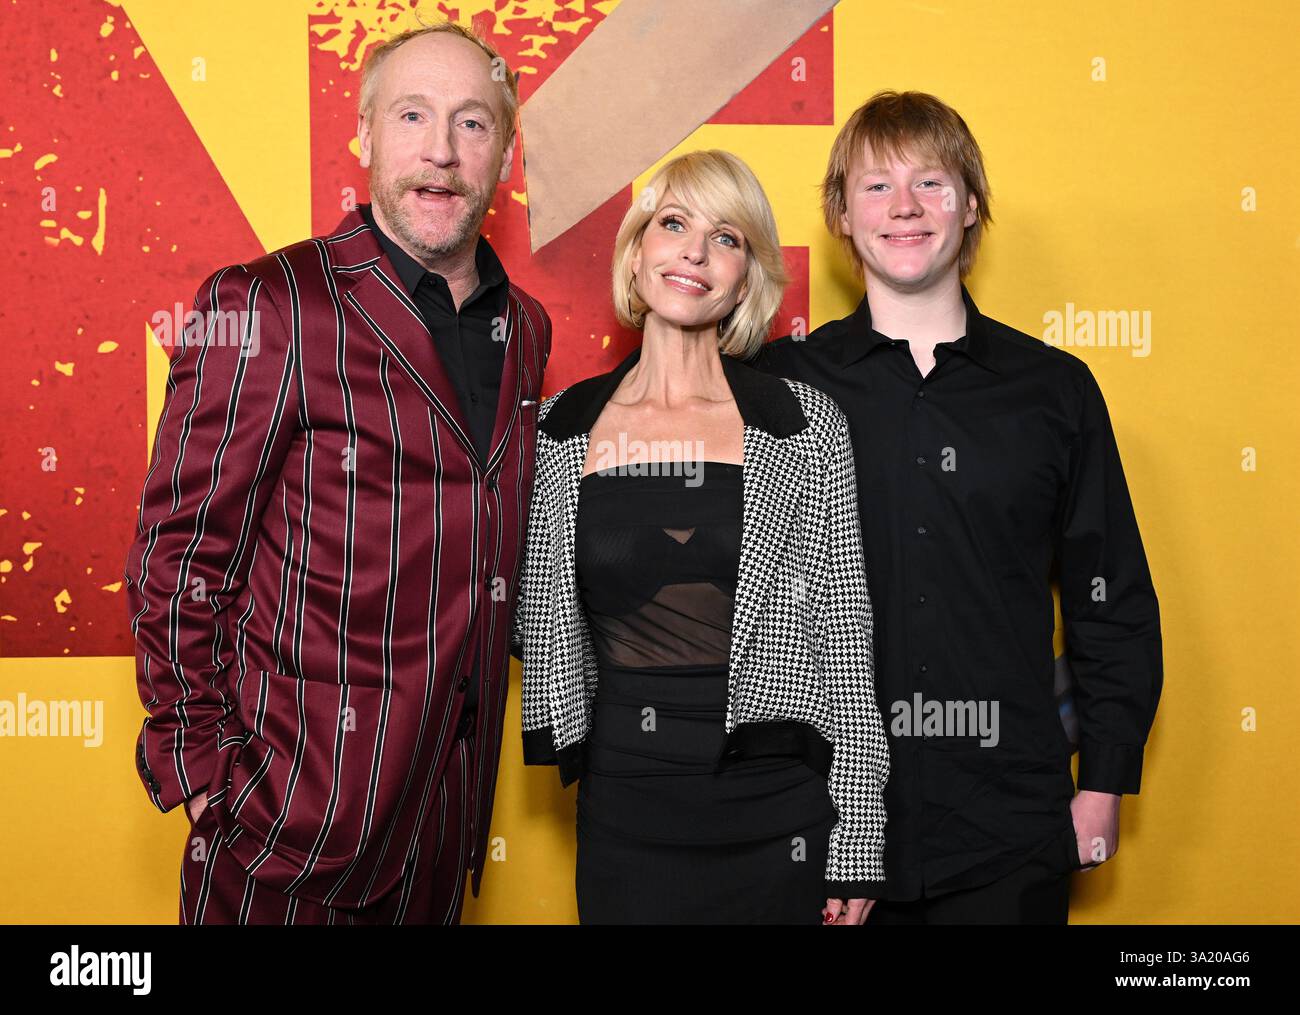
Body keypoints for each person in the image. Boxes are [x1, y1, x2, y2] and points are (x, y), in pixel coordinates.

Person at [124, 21, 551, 924]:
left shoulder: (529, 331)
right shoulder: (267, 303)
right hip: (288, 835)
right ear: (362, 136)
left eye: (473, 124)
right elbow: (177, 555)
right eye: (412, 115)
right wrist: (212, 780)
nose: (440, 151)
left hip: (442, 835)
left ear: (506, 154)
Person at [754, 90, 1163, 924]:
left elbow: (1109, 595)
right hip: (824, 829)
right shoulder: (779, 389)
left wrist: (1106, 779)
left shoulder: (1054, 391)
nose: (904, 208)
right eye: (875, 186)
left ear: (971, 204)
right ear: (840, 213)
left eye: (931, 183)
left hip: (1008, 827)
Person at [511, 150, 889, 925]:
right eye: (673, 224)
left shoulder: (805, 424)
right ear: (637, 250)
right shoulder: (557, 431)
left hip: (777, 813)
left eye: (727, 237)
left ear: (746, 275)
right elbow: (532, 615)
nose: (693, 250)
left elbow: (846, 638)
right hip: (627, 811)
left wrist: (859, 837)